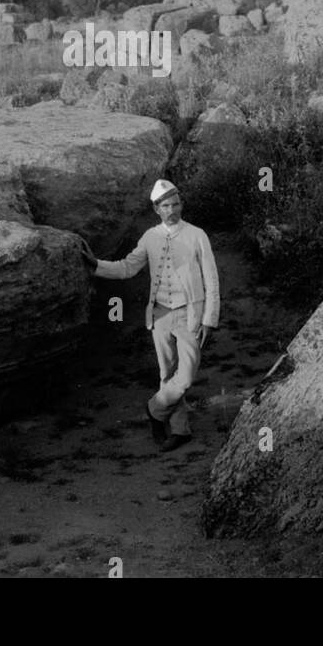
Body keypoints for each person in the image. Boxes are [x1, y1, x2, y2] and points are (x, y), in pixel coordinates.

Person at [81, 180, 220, 452]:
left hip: (190, 312)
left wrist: (209, 319)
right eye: (166, 206)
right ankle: (180, 430)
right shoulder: (150, 237)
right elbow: (126, 268)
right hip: (159, 314)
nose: (172, 210)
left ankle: (154, 409)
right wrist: (95, 264)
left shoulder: (197, 235)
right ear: (157, 209)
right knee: (167, 373)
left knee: (187, 375)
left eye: (176, 204)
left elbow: (212, 280)